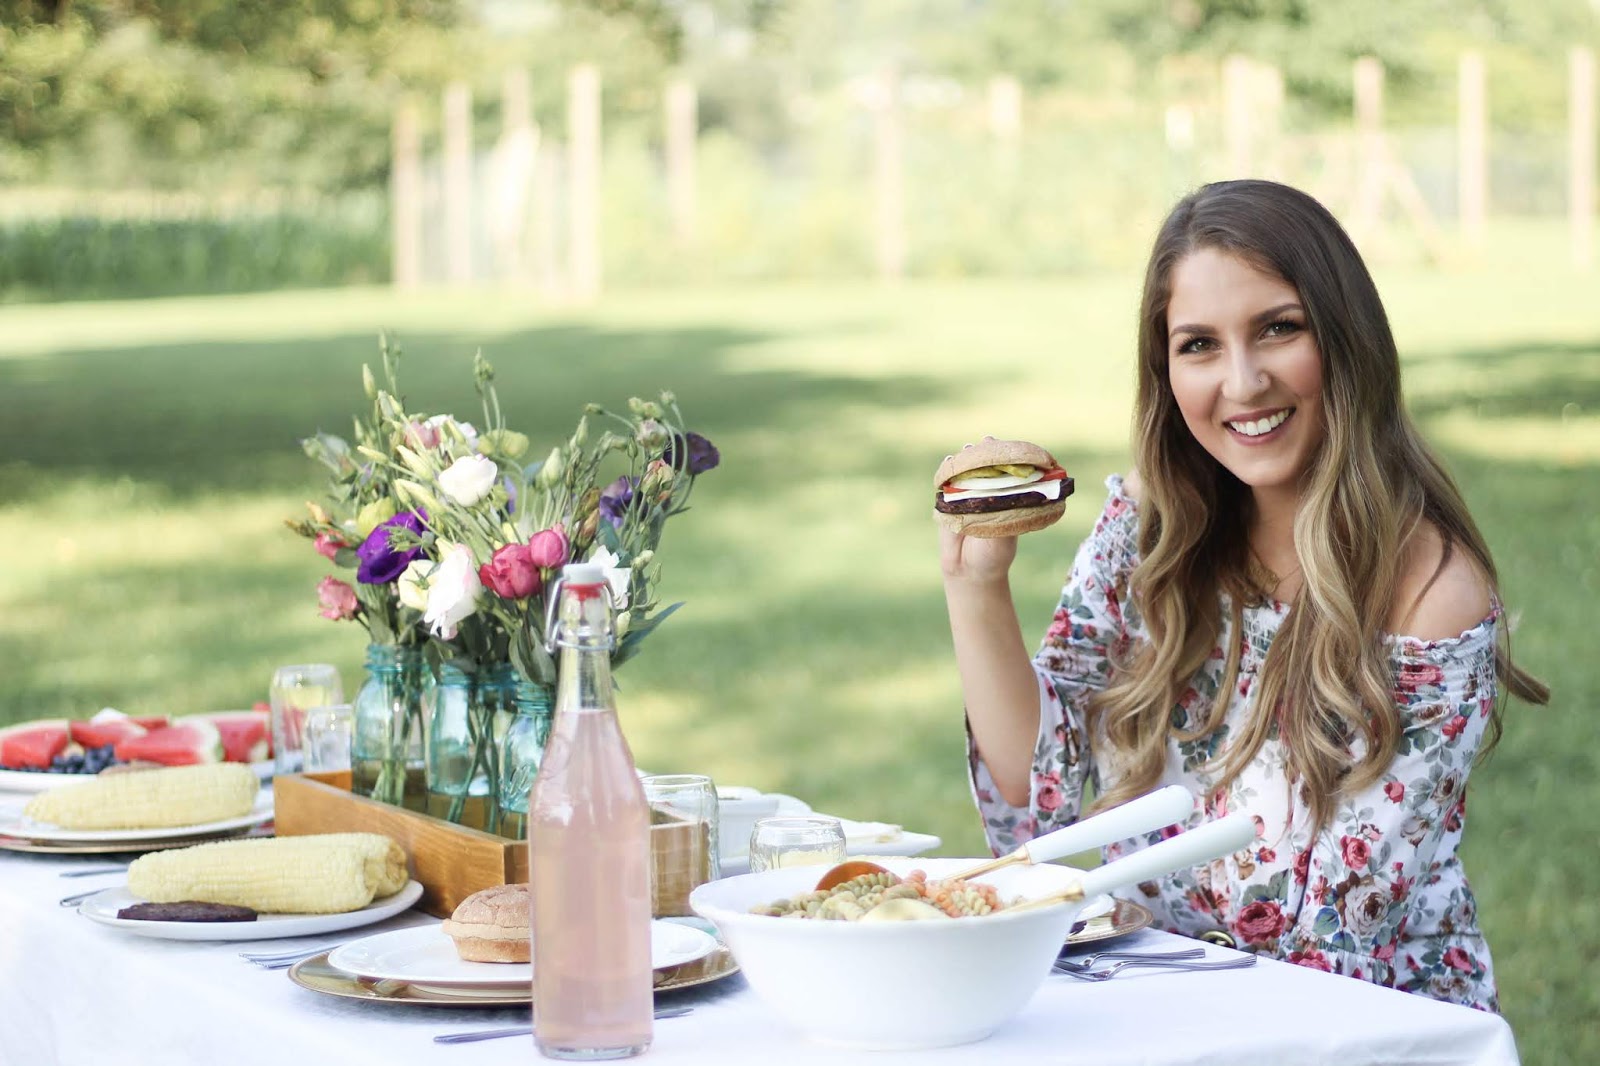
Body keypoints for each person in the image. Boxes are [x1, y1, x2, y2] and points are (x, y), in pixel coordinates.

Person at [940, 179, 1547, 1012]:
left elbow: (1332, 940)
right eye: (1198, 345)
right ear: (1166, 372)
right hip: (1160, 999)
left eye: (1279, 328)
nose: (1244, 380)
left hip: (1356, 1026)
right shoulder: (1147, 533)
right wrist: (975, 587)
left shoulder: (1428, 594)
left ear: (1346, 336)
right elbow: (1034, 798)